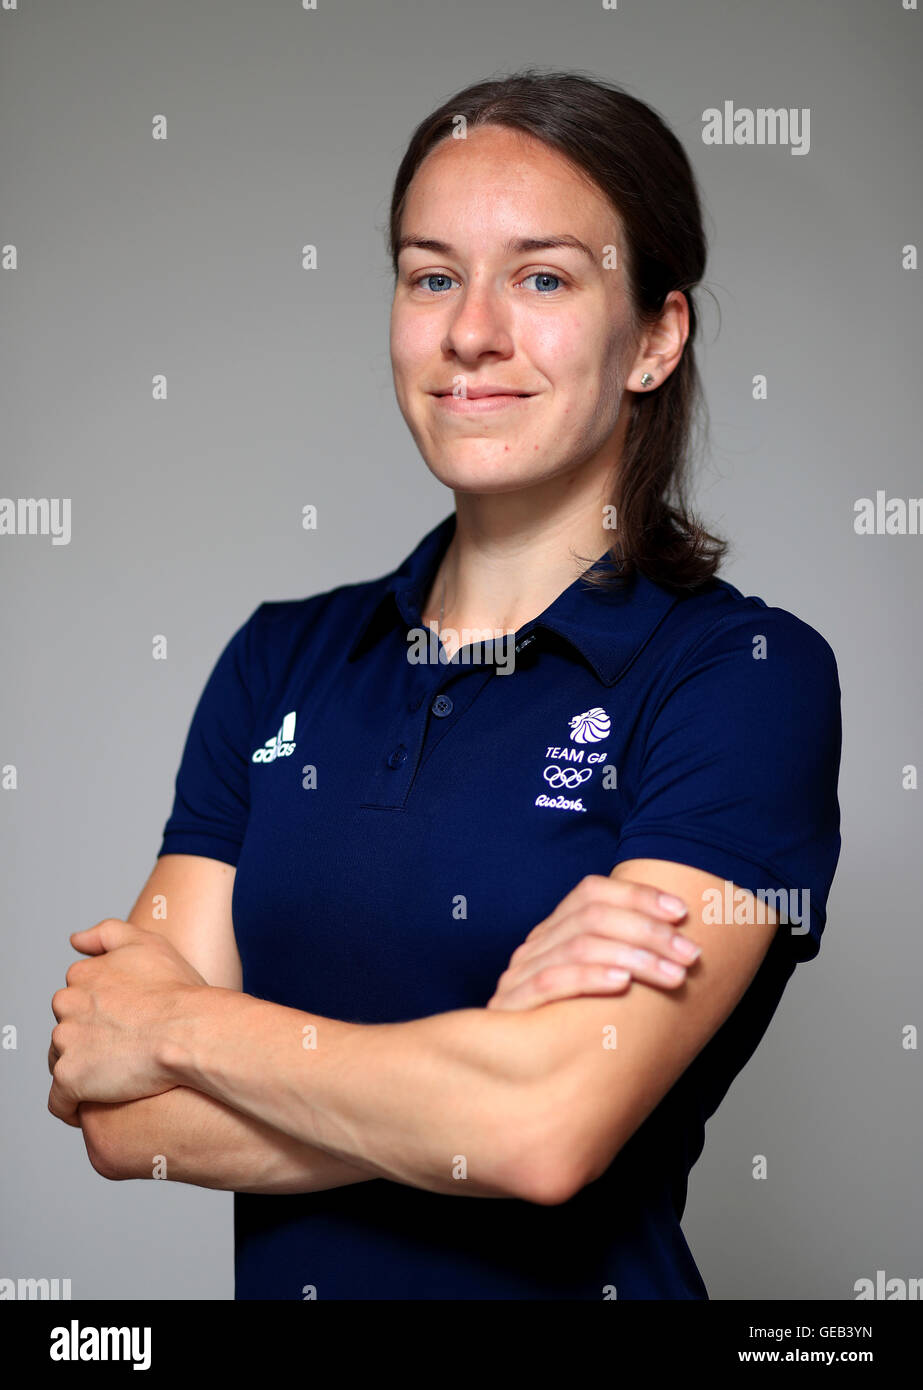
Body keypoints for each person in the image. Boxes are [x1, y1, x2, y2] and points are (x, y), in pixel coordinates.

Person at [48, 69, 842, 1300]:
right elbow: (115, 1113)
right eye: (431, 275)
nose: (471, 332)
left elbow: (543, 1132)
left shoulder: (739, 677)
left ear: (652, 337)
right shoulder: (279, 659)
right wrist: (481, 1060)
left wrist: (173, 1023)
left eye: (540, 277)